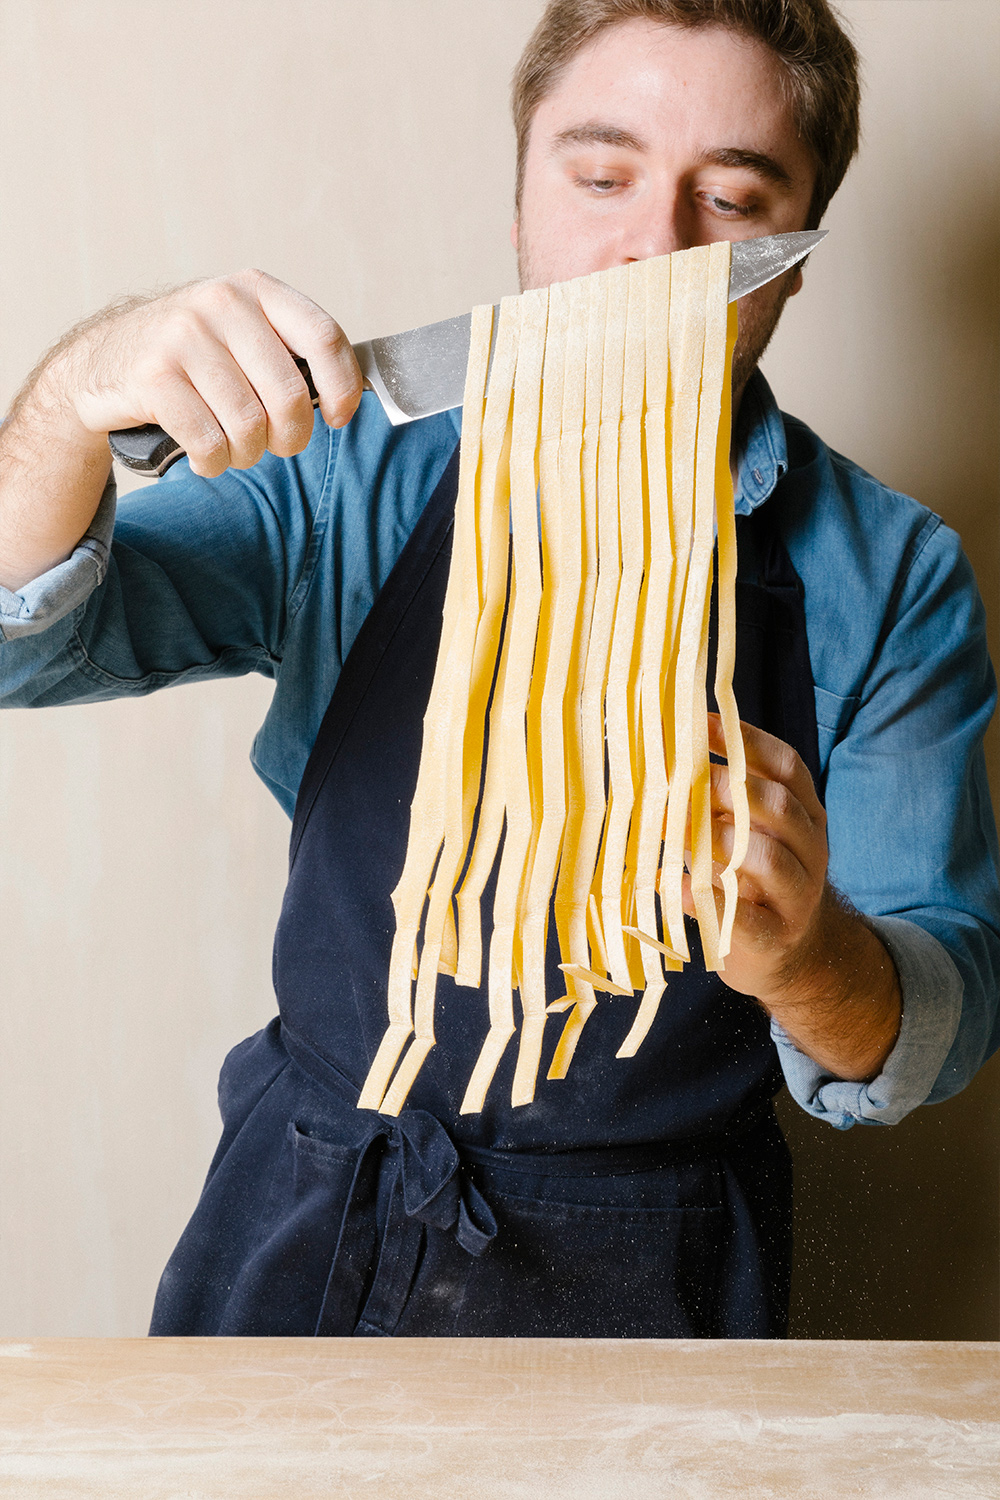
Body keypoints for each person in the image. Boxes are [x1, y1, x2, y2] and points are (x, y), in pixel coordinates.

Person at [0, 0, 997, 1338]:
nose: (652, 250)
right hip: (311, 1204)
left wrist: (809, 954)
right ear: (522, 198)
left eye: (732, 201)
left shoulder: (889, 574)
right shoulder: (350, 470)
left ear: (796, 259)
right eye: (601, 178)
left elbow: (937, 1018)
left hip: (659, 1265)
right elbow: (27, 640)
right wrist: (69, 397)